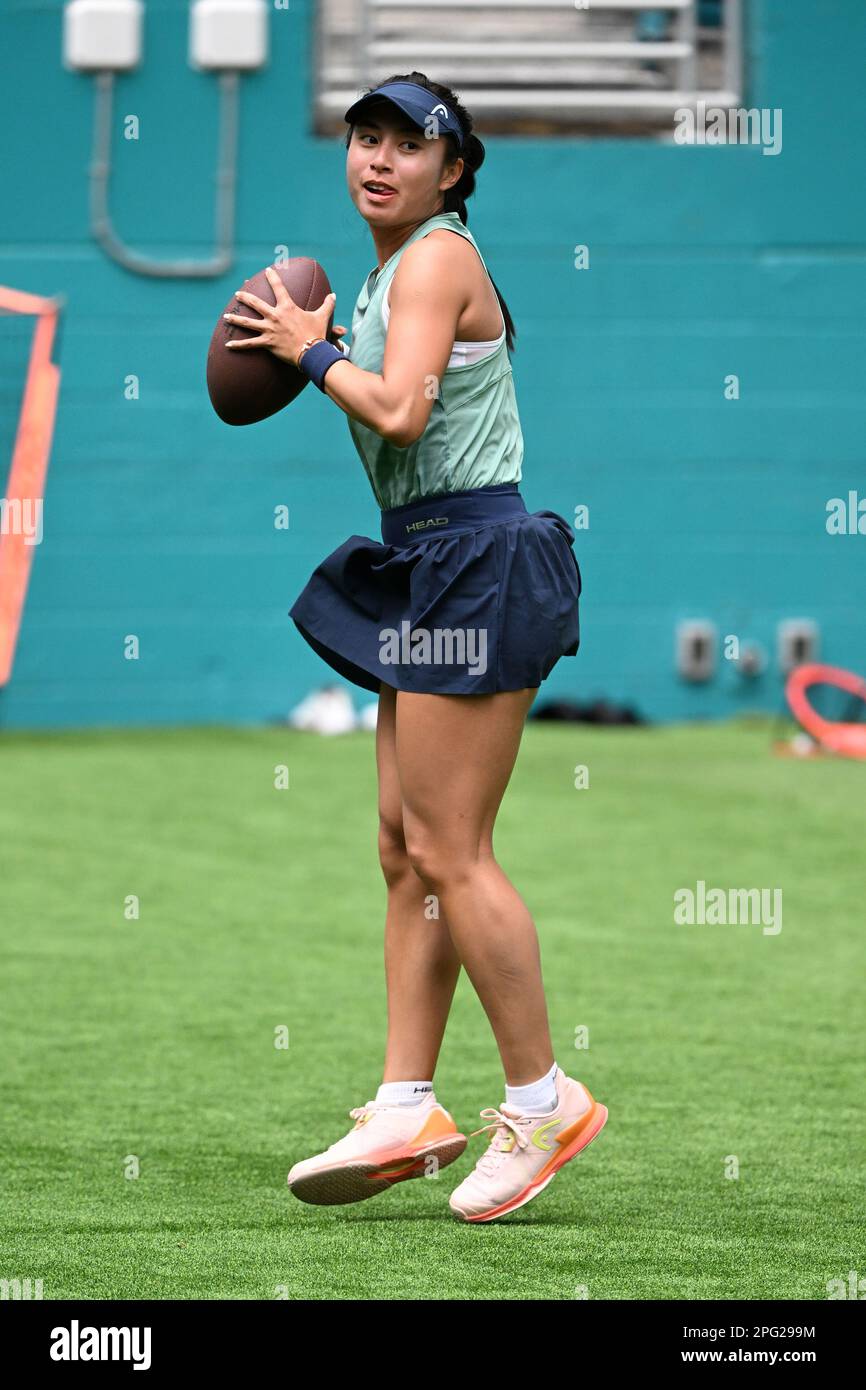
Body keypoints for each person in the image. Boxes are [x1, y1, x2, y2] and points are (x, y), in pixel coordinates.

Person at [222, 72, 608, 1223]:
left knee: (452, 848)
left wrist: (305, 348)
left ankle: (543, 1100)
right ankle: (405, 1101)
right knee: (404, 849)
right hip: (431, 557)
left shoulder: (438, 256)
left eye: (407, 144)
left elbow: (396, 410)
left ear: (451, 171)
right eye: (363, 139)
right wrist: (327, 340)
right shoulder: (397, 274)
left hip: (477, 560)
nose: (378, 159)